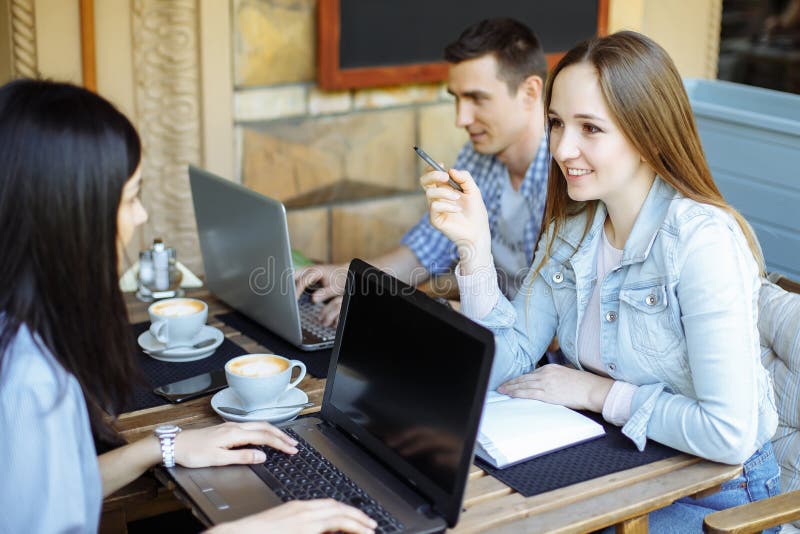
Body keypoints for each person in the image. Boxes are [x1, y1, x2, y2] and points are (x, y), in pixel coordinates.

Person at [423, 31, 781, 531]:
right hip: (617, 463)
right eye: (556, 124)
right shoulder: (572, 231)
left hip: (715, 496)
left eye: (591, 128)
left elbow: (730, 434)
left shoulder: (701, 242)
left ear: (648, 133)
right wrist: (475, 250)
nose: (563, 147)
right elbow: (505, 364)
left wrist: (596, 392)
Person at [0, 79, 376, 534]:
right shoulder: (28, 381)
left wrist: (164, 446)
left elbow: (51, 494)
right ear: (72, 211)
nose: (140, 216)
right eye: (132, 195)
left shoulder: (22, 334)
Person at [295, 18, 551, 326]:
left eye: (477, 98)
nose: (461, 118)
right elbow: (425, 250)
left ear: (530, 92)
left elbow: (549, 323)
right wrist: (351, 277)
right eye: (456, 98)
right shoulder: (478, 154)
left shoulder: (568, 173)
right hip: (492, 331)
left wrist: (411, 304)